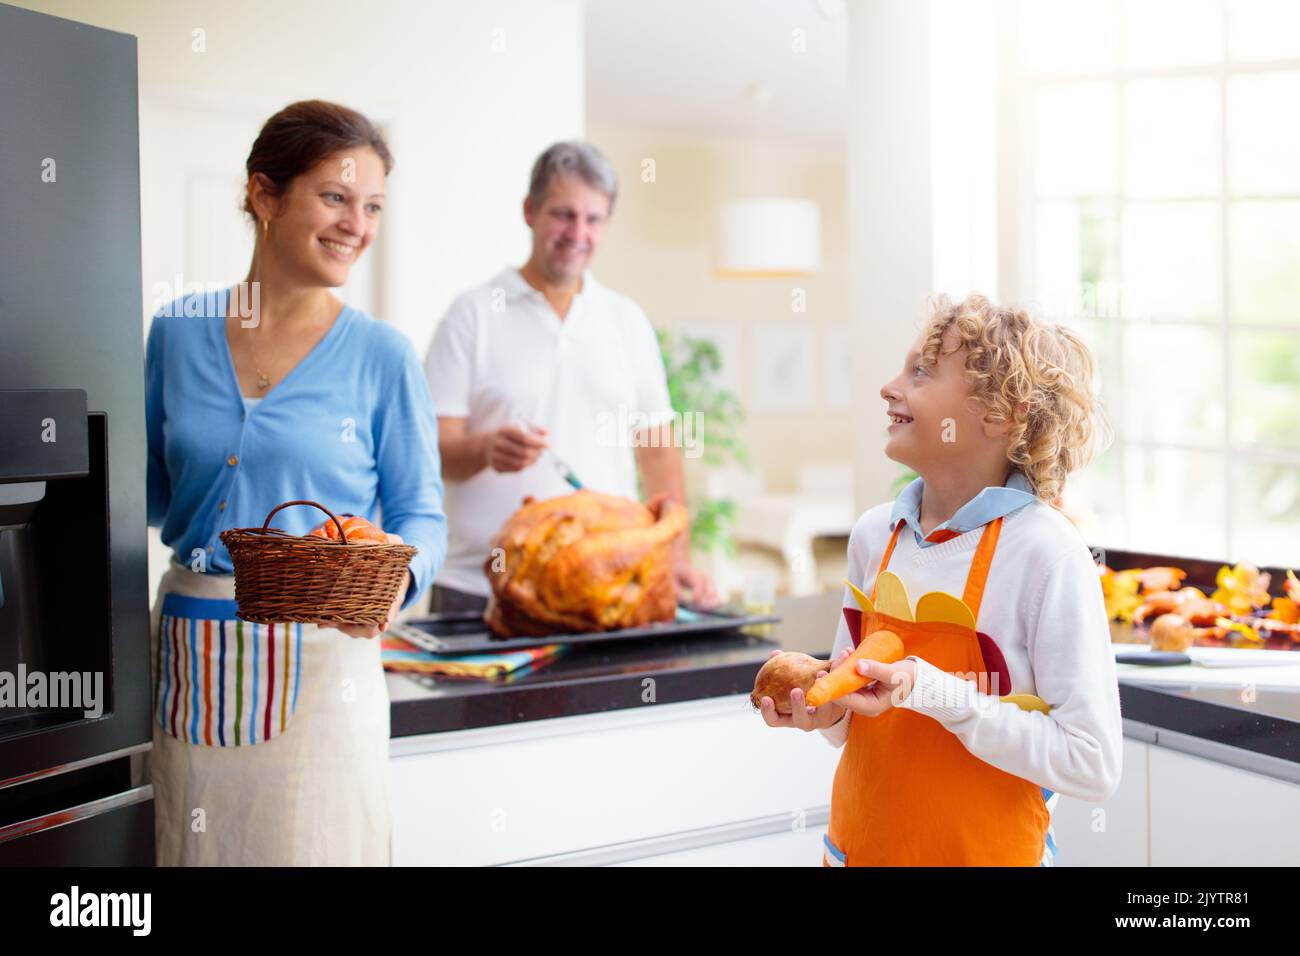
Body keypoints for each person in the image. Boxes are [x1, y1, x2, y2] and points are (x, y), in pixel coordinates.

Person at [145, 100, 446, 865]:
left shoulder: (381, 355)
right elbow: (143, 498)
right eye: (337, 196)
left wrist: (389, 590)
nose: (358, 224)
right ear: (264, 194)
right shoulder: (176, 334)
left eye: (373, 205)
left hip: (326, 663)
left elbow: (421, 514)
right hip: (191, 654)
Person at [758, 293, 1123, 867]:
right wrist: (822, 710)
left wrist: (938, 694)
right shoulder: (874, 536)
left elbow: (1092, 763)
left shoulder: (1046, 552)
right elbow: (852, 717)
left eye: (921, 372)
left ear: (1000, 412)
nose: (889, 386)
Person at [423, 140, 716, 613]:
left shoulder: (626, 320)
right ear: (529, 211)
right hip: (480, 590)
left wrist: (676, 557)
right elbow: (429, 453)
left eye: (593, 219)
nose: (577, 232)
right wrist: (485, 449)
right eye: (563, 214)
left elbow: (658, 451)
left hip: (602, 587)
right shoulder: (472, 314)